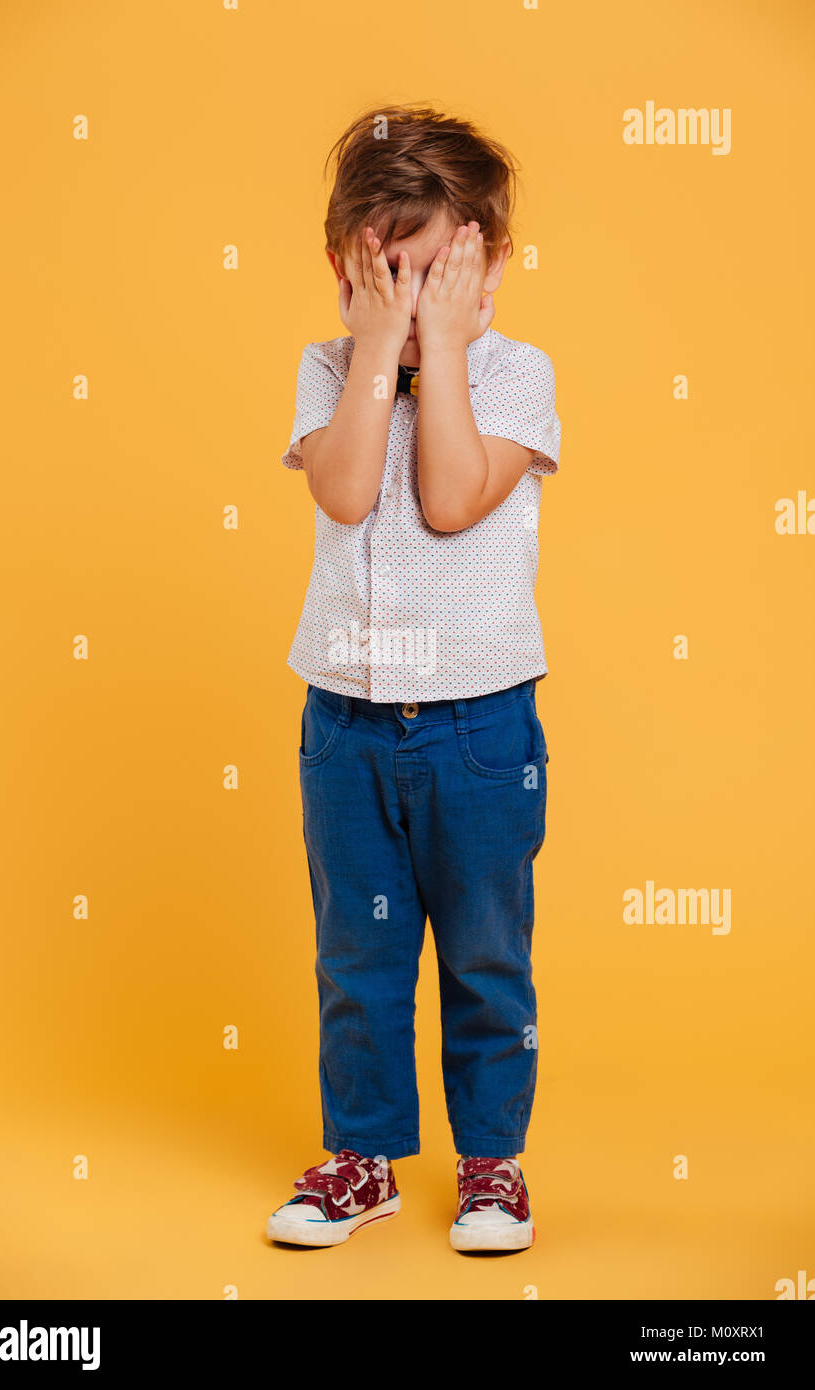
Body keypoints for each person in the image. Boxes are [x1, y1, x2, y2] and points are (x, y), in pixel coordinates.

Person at [267, 103, 561, 1252]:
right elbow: (343, 493)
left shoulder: (517, 375)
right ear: (343, 267)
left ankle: (491, 1165)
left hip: (479, 727)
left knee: (486, 948)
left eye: (439, 269)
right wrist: (374, 346)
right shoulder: (325, 368)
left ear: (489, 264)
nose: (411, 293)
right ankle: (363, 1158)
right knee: (356, 952)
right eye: (388, 270)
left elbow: (446, 496)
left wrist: (438, 349)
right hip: (344, 722)